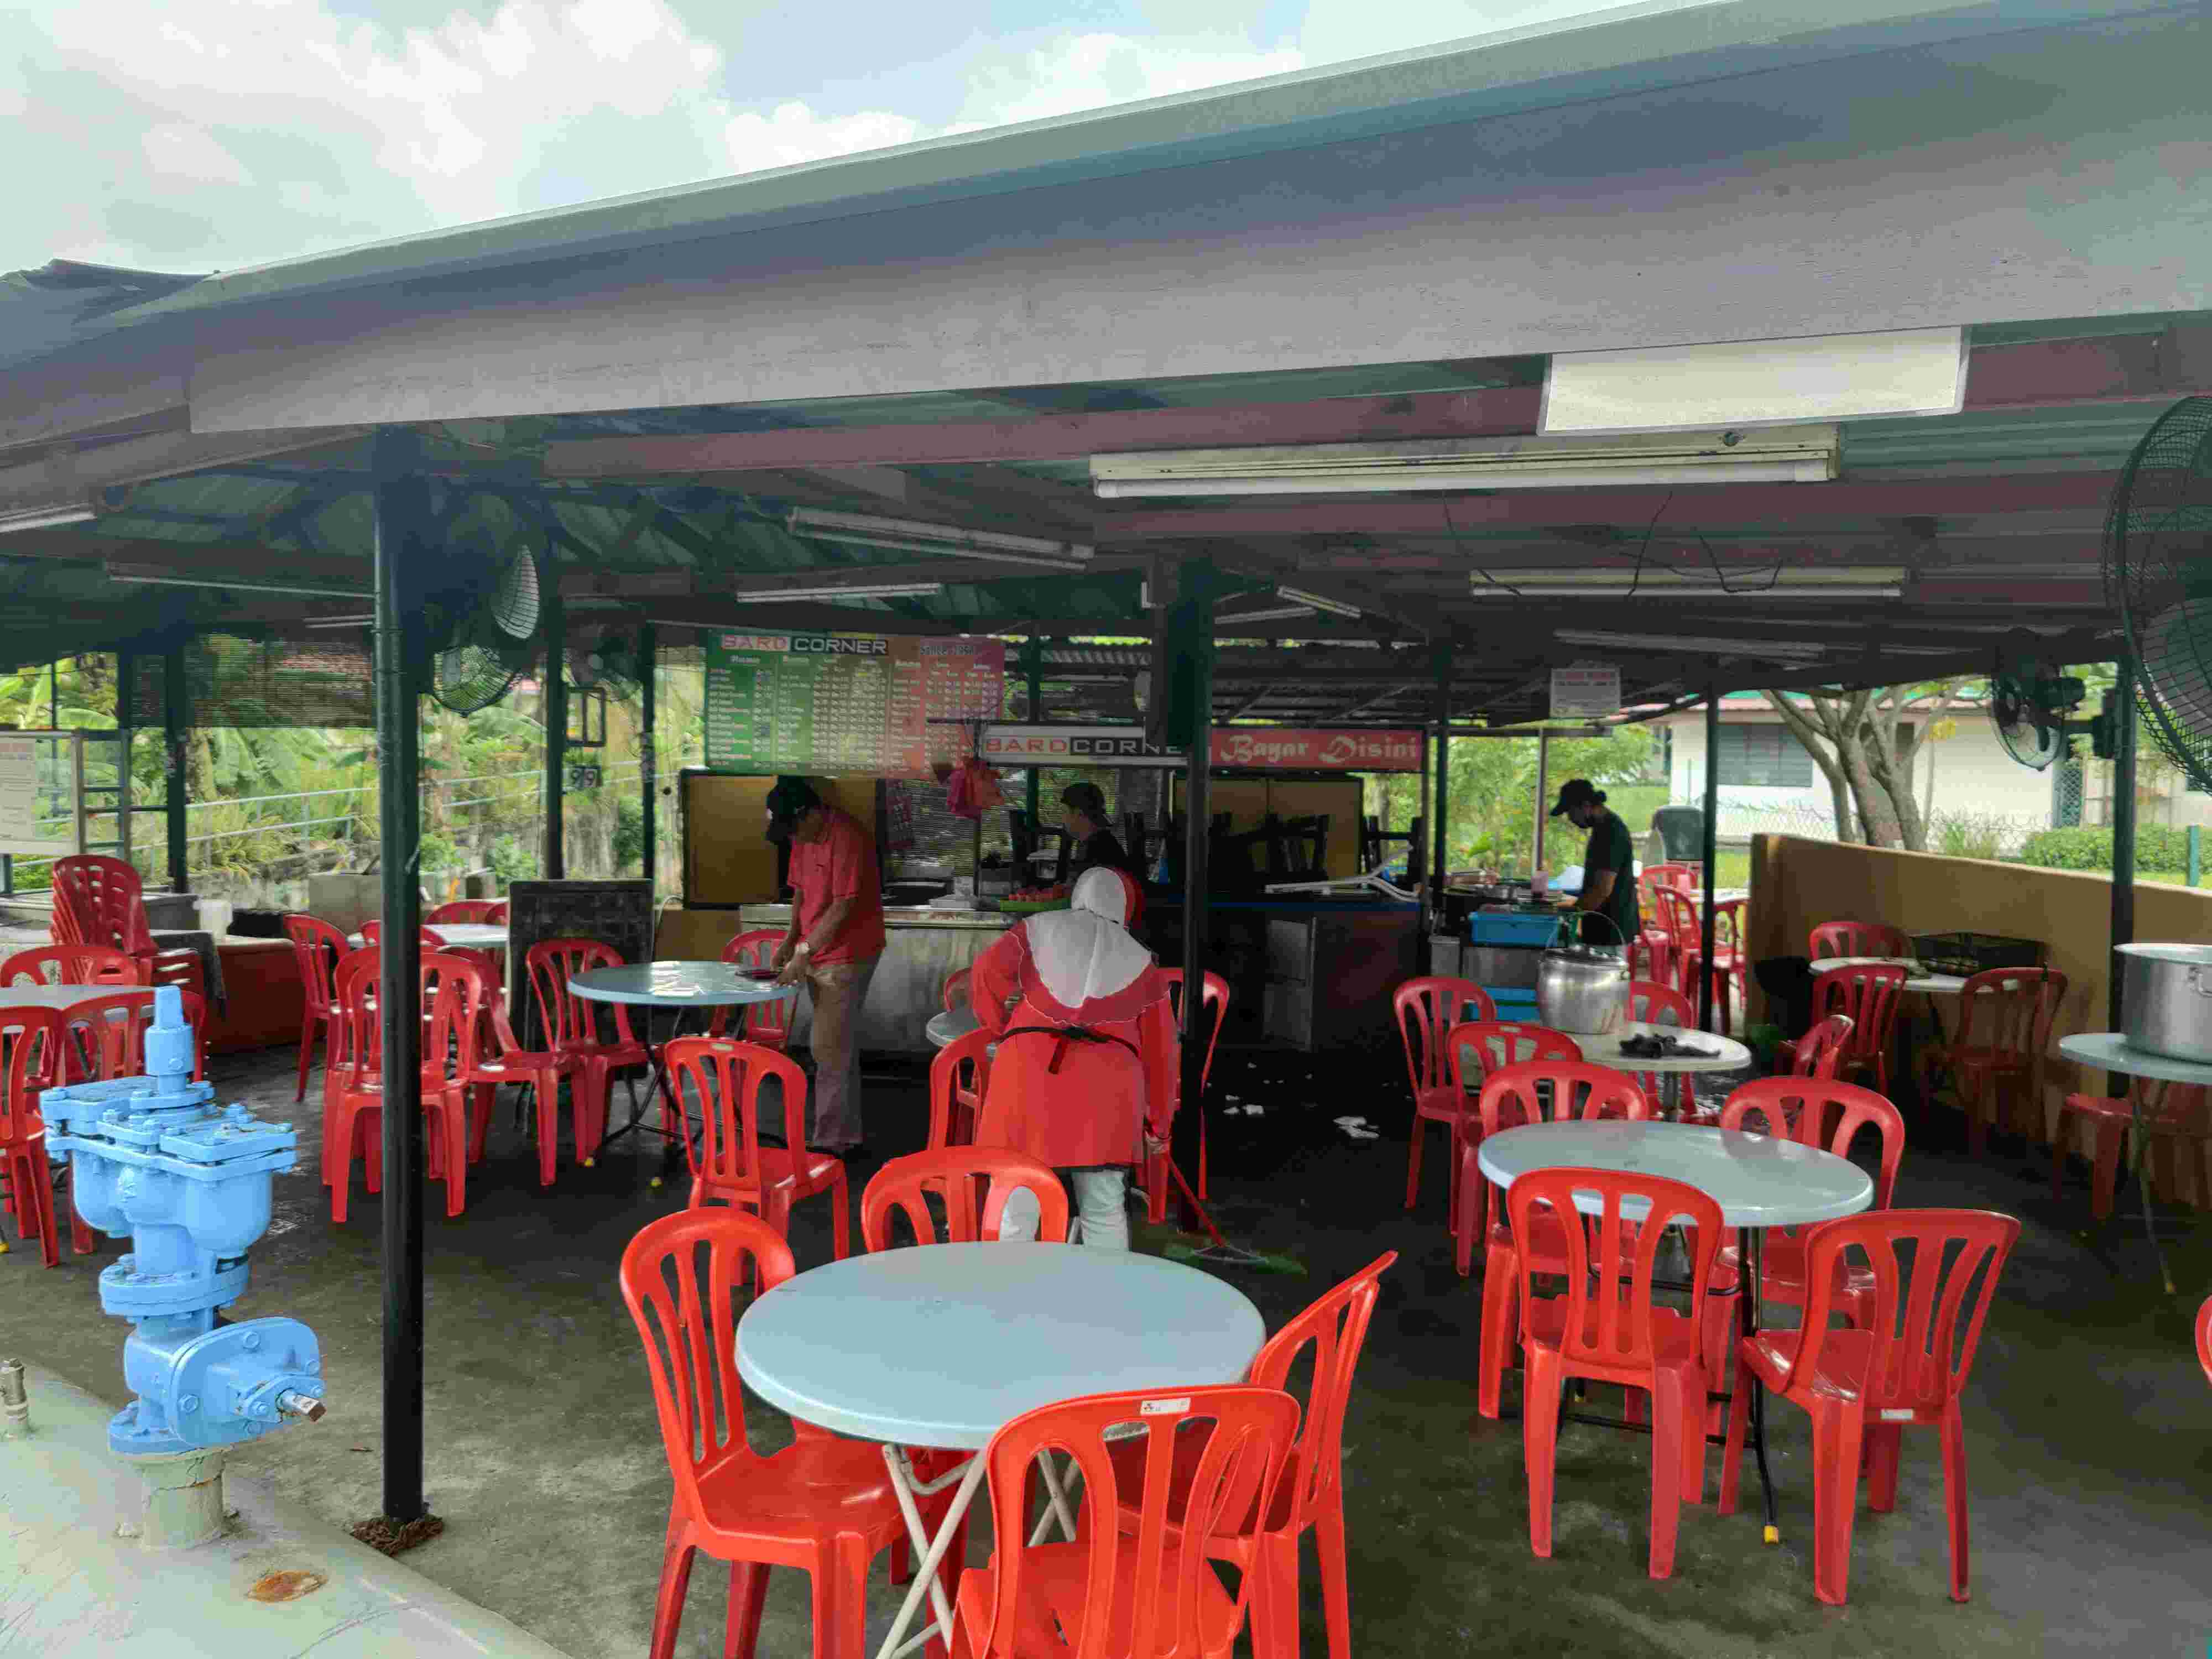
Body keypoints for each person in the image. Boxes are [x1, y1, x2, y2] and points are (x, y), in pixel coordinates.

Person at [968, 866, 1177, 1249]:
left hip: (1026, 1076)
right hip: (1107, 1093)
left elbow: (983, 974)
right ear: (1125, 909)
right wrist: (1159, 1126)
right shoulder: (1143, 963)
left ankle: (1003, 1298)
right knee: (1103, 1207)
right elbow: (1163, 1054)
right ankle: (1104, 1304)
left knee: (1017, 1201)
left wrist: (1003, 1028)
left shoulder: (1035, 930)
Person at [766, 776, 885, 1156]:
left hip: (848, 954)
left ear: (809, 813)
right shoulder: (802, 836)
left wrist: (804, 951)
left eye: (794, 827)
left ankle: (832, 1142)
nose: (793, 838)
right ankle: (843, 1134)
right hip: (816, 950)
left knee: (828, 1048)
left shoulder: (848, 838)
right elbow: (800, 891)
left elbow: (843, 906)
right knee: (836, 1047)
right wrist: (790, 939)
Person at [1548, 778, 1640, 951]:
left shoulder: (1610, 832)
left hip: (1610, 931)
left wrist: (1572, 913)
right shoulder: (1603, 828)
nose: (1570, 818)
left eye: (1570, 811)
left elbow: (1602, 889)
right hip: (1603, 927)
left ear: (1585, 806)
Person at [1061, 781, 1141, 882]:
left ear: (1079, 813)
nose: (1063, 818)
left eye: (1065, 812)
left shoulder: (1099, 850)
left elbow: (1084, 894)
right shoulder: (1098, 842)